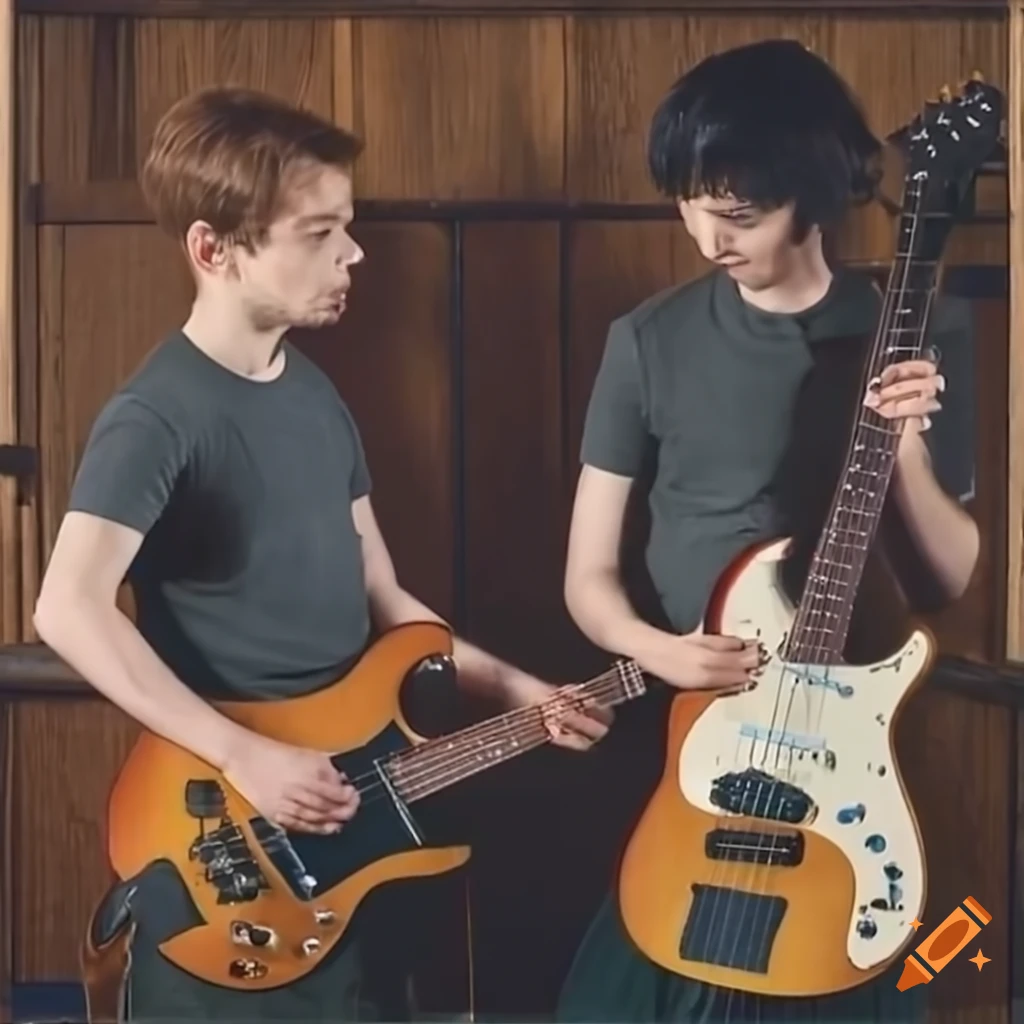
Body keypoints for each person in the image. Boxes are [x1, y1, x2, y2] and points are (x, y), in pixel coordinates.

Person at [32, 86, 610, 1023]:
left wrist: (517, 690)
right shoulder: (154, 417)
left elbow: (382, 594)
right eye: (318, 232)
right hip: (229, 835)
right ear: (213, 249)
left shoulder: (314, 395)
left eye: (347, 225)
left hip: (351, 816)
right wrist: (245, 756)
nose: (353, 253)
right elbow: (65, 608)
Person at [556, 39, 979, 1024]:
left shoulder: (915, 325)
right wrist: (661, 650)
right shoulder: (645, 340)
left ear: (813, 193)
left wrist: (906, 447)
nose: (707, 235)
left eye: (738, 213)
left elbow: (947, 579)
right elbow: (586, 574)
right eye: (690, 203)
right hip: (693, 723)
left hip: (846, 733)